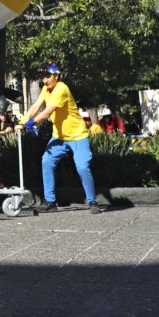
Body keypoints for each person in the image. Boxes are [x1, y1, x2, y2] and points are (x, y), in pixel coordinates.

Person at [20, 64, 103, 214]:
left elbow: (47, 112)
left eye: (48, 76)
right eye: (43, 77)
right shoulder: (46, 89)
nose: (45, 80)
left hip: (78, 135)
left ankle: (92, 201)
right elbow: (37, 106)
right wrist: (23, 121)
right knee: (46, 161)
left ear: (56, 76)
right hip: (59, 137)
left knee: (82, 167)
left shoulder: (61, 89)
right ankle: (50, 202)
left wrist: (31, 124)